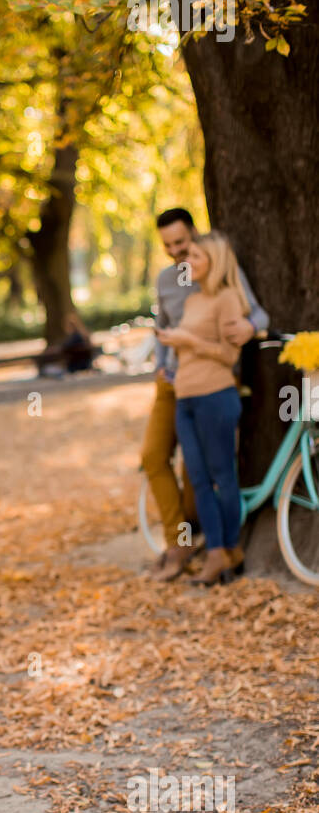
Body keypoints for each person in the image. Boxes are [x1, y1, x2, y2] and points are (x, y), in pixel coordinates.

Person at [142, 208, 268, 582]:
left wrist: (248, 327)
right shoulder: (168, 281)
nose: (177, 252)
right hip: (175, 385)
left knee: (209, 474)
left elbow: (257, 316)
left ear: (194, 236)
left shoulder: (216, 275)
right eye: (168, 246)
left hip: (213, 383)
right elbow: (162, 328)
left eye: (182, 243)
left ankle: (219, 548)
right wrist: (162, 362)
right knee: (153, 456)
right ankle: (180, 542)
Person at [157, 231, 247, 586]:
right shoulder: (192, 302)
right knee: (197, 479)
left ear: (214, 262)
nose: (187, 263)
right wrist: (172, 353)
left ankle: (224, 549)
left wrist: (189, 340)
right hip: (186, 399)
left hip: (216, 396)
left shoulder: (227, 300)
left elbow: (230, 355)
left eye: (195, 257)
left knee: (223, 477)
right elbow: (189, 347)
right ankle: (218, 552)